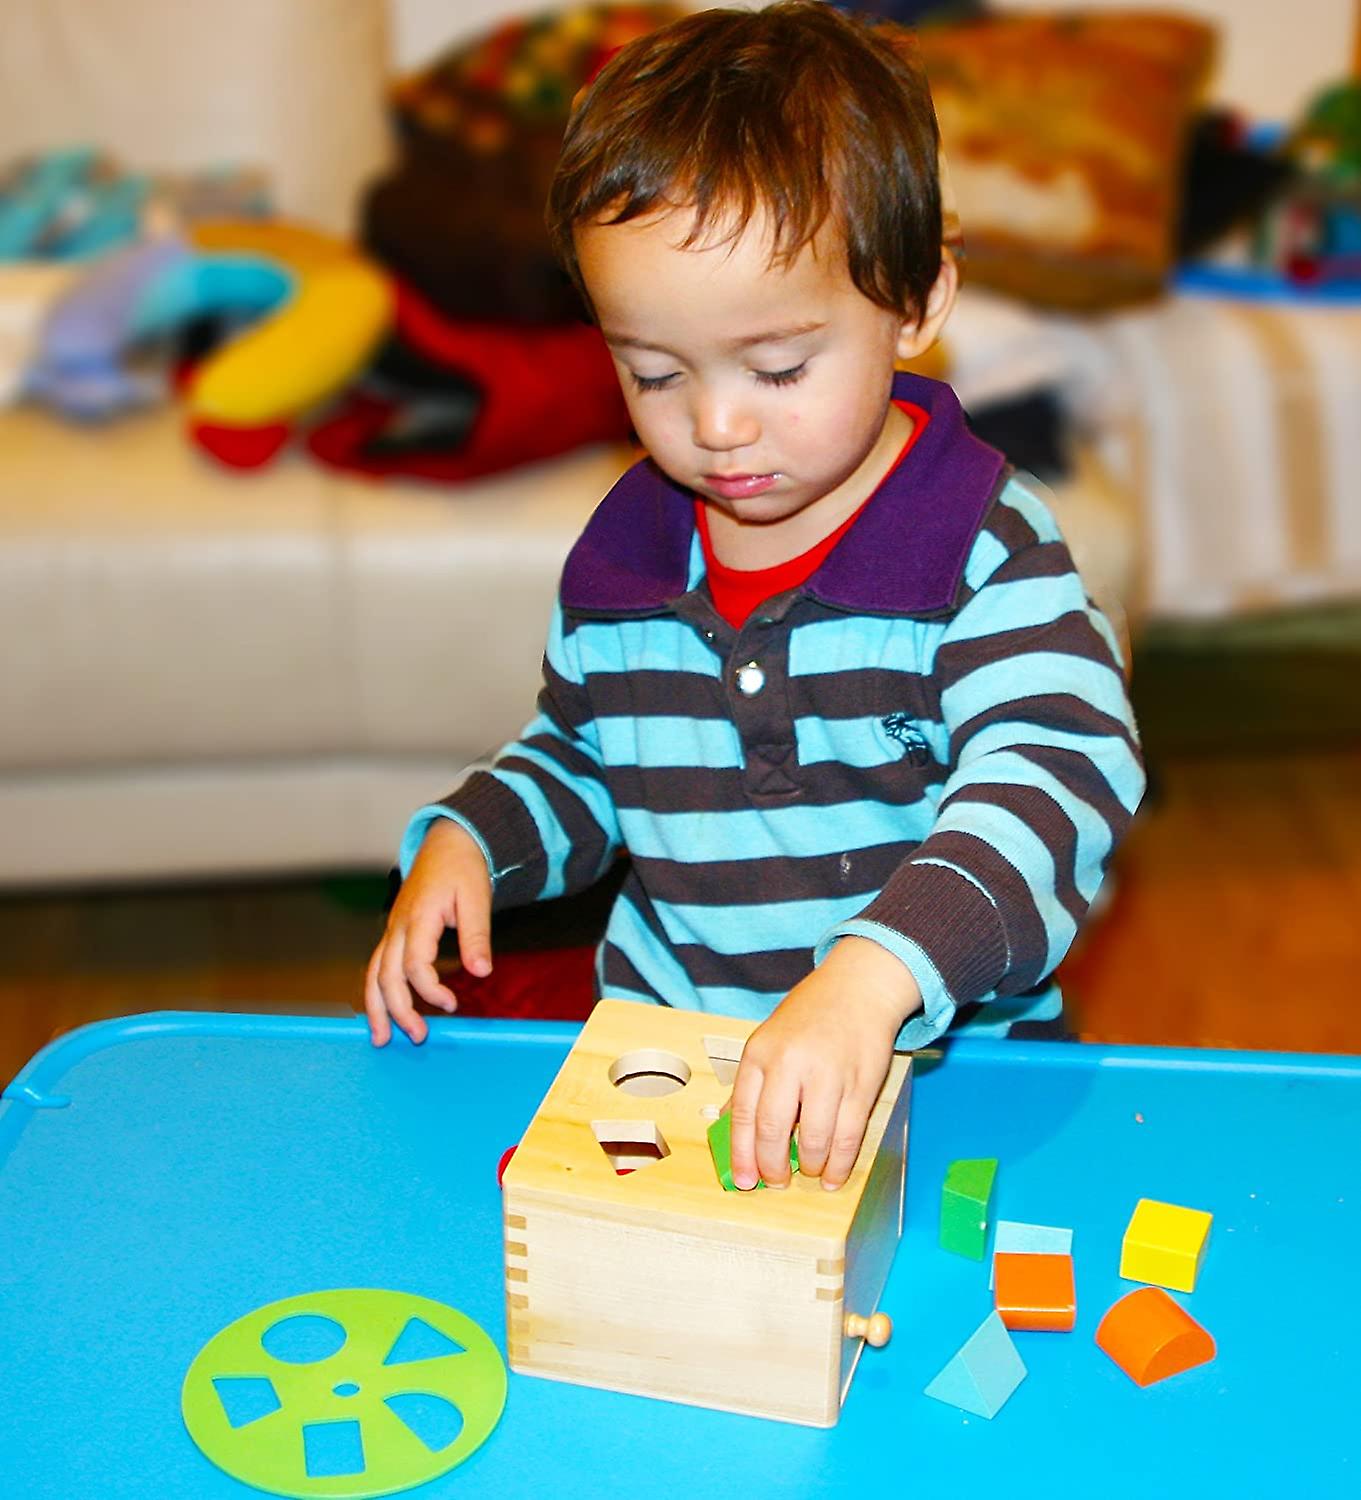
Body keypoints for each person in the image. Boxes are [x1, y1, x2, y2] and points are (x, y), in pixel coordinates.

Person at [364, 1, 1144, 1195]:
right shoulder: (625, 558)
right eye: (653, 374)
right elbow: (588, 763)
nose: (715, 426)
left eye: (778, 368)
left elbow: (1057, 780)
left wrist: (872, 978)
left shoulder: (981, 552)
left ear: (916, 304)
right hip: (678, 1079)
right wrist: (475, 838)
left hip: (945, 1078)